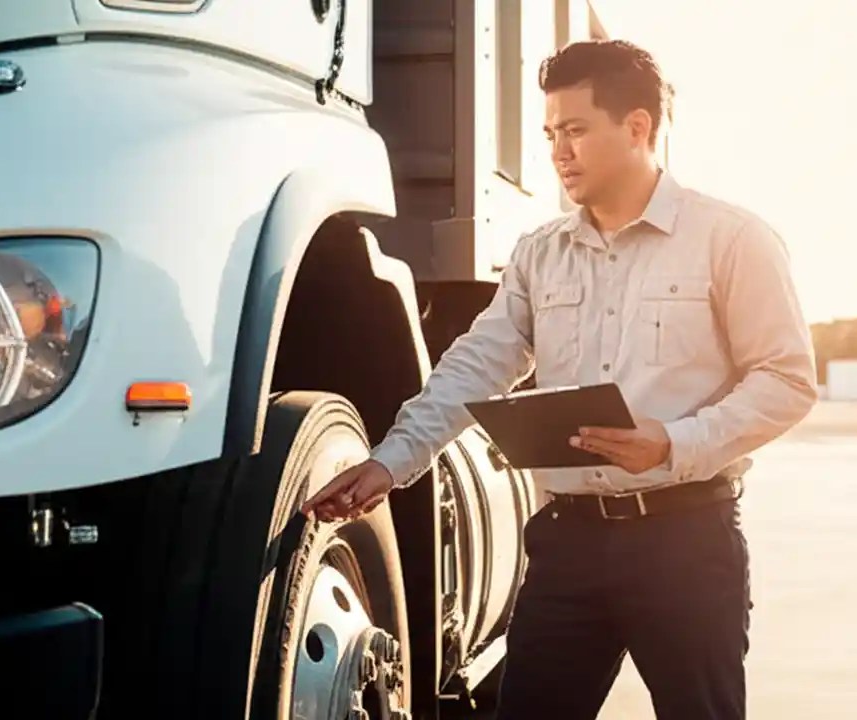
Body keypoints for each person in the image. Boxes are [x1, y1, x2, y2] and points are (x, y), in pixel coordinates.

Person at [301, 38, 818, 719]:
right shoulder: (540, 254)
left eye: (576, 130)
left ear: (638, 129)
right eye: (550, 134)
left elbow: (787, 379)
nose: (558, 152)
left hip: (687, 544)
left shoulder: (731, 239)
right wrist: (390, 464)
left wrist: (673, 441)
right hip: (567, 547)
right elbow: (476, 366)